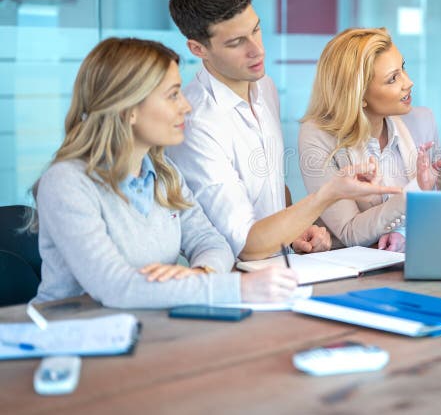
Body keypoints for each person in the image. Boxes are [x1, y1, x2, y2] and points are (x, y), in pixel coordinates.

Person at [31, 37, 300, 308]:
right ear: (128, 110)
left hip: (154, 329)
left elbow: (212, 244)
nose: (186, 106)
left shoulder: (164, 174)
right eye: (173, 95)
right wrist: (239, 288)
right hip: (72, 336)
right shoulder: (66, 182)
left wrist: (199, 274)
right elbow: (116, 288)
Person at [166, 0, 400, 261]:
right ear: (198, 49)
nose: (257, 50)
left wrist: (294, 231)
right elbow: (246, 245)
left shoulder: (264, 87)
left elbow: (270, 190)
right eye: (236, 42)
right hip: (233, 282)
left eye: (256, 30)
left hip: (282, 270)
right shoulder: (196, 122)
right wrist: (326, 195)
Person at [298, 27, 441, 250]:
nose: (409, 82)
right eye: (392, 79)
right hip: (353, 274)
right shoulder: (318, 136)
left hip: (416, 260)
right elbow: (349, 231)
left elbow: (437, 216)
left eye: (402, 68)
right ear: (360, 96)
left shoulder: (423, 121)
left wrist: (403, 234)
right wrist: (413, 193)